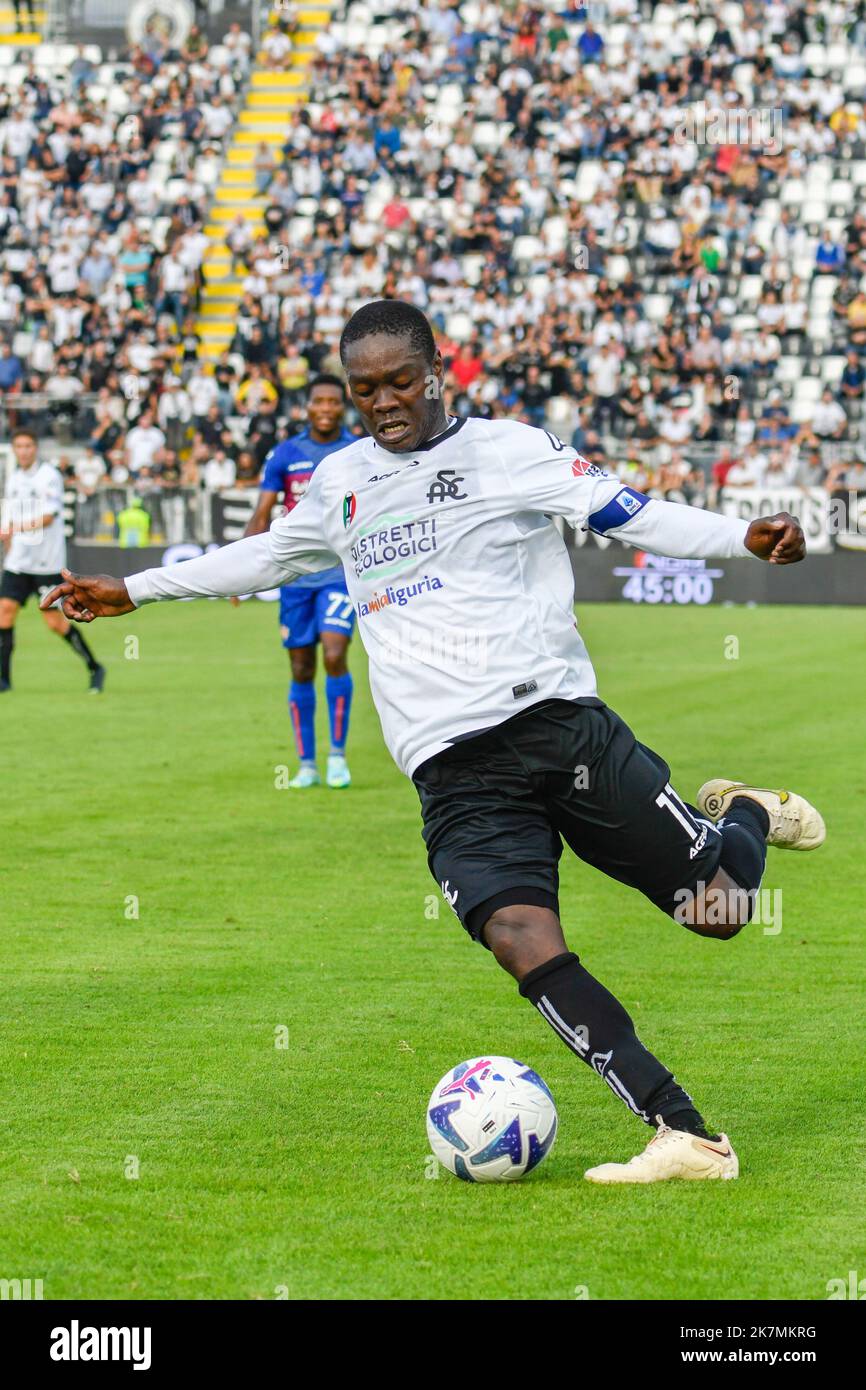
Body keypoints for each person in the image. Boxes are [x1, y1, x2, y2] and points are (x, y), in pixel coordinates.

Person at [42, 302, 824, 1183]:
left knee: (715, 913)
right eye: (363, 387)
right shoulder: (339, 485)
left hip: (556, 726)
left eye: (399, 382)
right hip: (452, 772)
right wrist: (136, 590)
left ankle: (750, 810)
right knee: (519, 934)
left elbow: (627, 512)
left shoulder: (512, 450)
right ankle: (683, 1133)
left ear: (437, 371)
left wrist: (742, 538)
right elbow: (262, 556)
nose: (382, 402)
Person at [239, 375, 356, 790]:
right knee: (302, 666)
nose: (325, 408)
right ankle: (306, 762)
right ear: (306, 407)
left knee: (334, 653)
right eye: (318, 402)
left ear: (342, 406)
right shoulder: (286, 454)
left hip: (340, 575)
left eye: (332, 402)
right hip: (294, 578)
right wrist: (240, 575)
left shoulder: (357, 452)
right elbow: (261, 515)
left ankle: (337, 756)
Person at [1, 429, 105, 693]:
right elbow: (10, 519)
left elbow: (49, 517)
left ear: (35, 448)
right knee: (4, 614)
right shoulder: (13, 480)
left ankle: (95, 666)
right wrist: (9, 541)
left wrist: (17, 528)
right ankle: (4, 680)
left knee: (55, 624)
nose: (23, 451)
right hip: (18, 563)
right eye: (19, 446)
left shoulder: (49, 476)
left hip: (46, 563)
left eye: (28, 446)